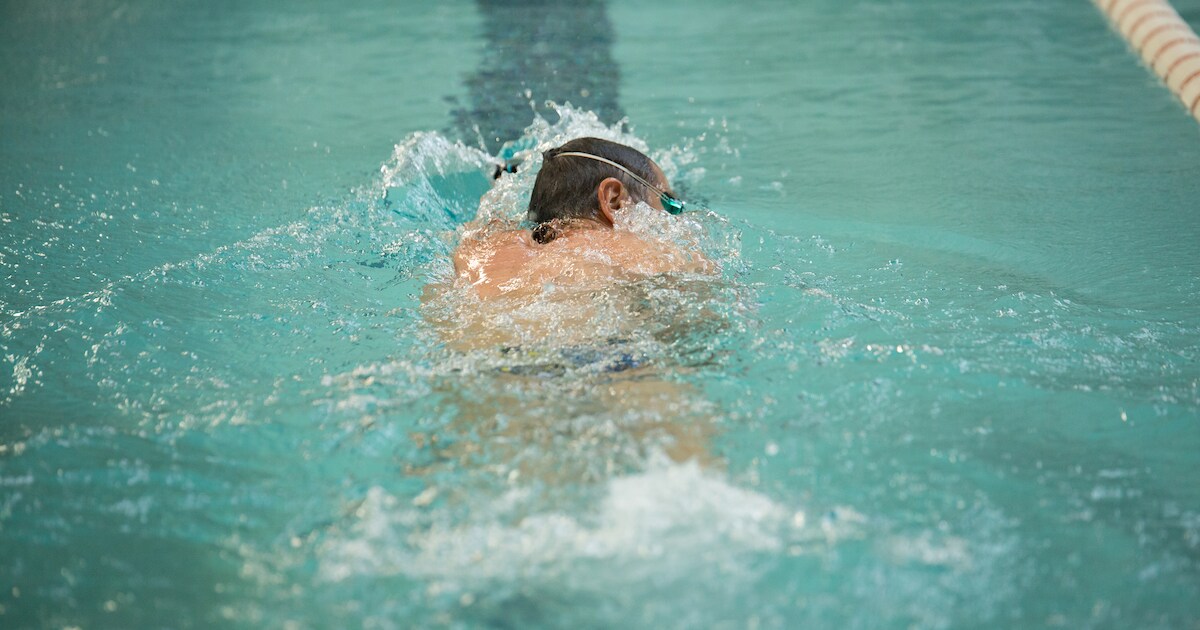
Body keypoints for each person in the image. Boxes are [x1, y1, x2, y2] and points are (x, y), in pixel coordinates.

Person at [451, 137, 712, 299]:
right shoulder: (646, 255)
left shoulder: (477, 249)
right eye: (670, 204)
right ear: (614, 200)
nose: (674, 220)